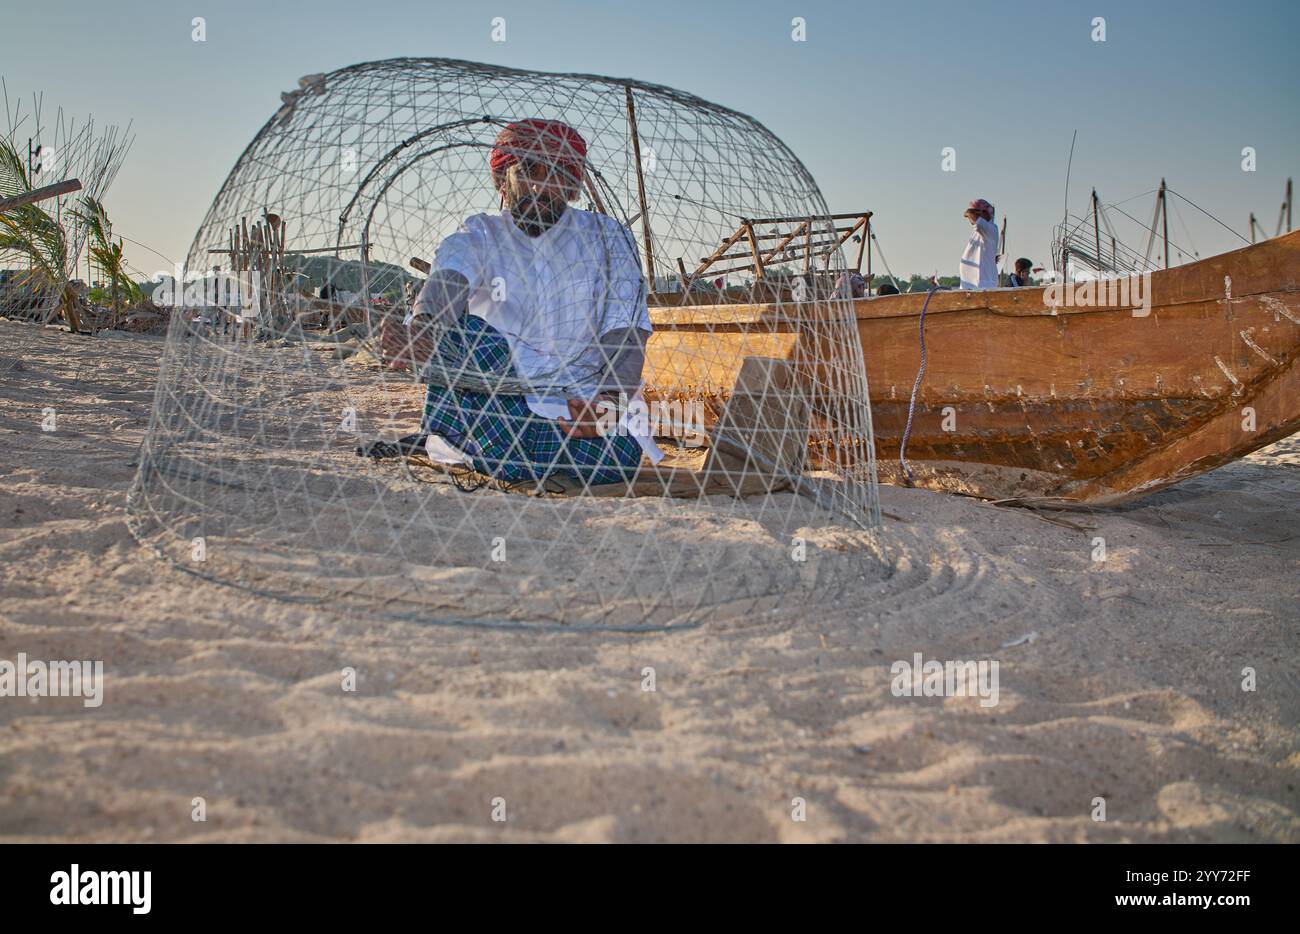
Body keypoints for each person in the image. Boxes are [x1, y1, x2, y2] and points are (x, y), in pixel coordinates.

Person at [379, 118, 662, 485]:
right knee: (469, 333)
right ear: (501, 180)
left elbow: (626, 327)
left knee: (617, 452)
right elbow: (449, 279)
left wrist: (608, 402)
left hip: (582, 420)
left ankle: (496, 454)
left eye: (557, 174)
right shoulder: (480, 232)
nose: (540, 186)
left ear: (573, 186)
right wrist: (424, 328)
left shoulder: (608, 237)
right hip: (495, 410)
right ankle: (493, 450)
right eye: (528, 170)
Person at [959, 198, 999, 289]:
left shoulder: (991, 228)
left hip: (983, 285)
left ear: (984, 213)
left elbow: (971, 215)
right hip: (971, 286)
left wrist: (970, 212)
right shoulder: (979, 231)